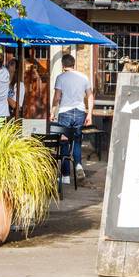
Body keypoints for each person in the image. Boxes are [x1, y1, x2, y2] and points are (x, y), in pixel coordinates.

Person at [51, 53, 93, 183]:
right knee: (77, 141)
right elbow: (90, 96)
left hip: (65, 112)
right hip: (80, 112)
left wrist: (52, 112)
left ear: (63, 65)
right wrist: (89, 114)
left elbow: (57, 97)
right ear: (74, 64)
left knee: (64, 142)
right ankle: (78, 165)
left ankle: (65, 176)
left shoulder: (61, 77)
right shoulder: (84, 77)